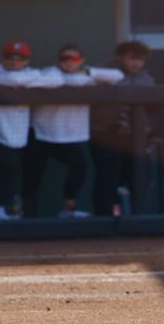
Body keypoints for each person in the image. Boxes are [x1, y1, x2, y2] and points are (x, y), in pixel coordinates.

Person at [25, 45, 124, 218]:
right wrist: (80, 78)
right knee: (33, 176)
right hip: (41, 133)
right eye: (65, 58)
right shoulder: (50, 72)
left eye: (74, 59)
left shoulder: (87, 74)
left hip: (69, 135)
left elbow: (117, 76)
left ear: (82, 60)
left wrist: (87, 73)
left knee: (79, 168)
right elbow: (55, 81)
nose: (69, 62)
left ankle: (68, 210)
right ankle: (27, 214)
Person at [0, 40, 57, 219]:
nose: (14, 61)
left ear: (27, 60)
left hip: (16, 134)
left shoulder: (31, 73)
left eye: (20, 58)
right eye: (10, 57)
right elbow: (11, 79)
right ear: (2, 58)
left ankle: (3, 209)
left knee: (12, 173)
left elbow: (56, 80)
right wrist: (30, 81)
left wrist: (25, 80)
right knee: (6, 171)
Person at [90, 41, 153, 217]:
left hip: (134, 138)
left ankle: (136, 219)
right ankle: (105, 218)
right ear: (119, 57)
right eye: (132, 58)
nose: (136, 63)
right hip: (105, 134)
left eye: (140, 59)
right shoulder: (104, 73)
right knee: (107, 179)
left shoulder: (146, 78)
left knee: (137, 178)